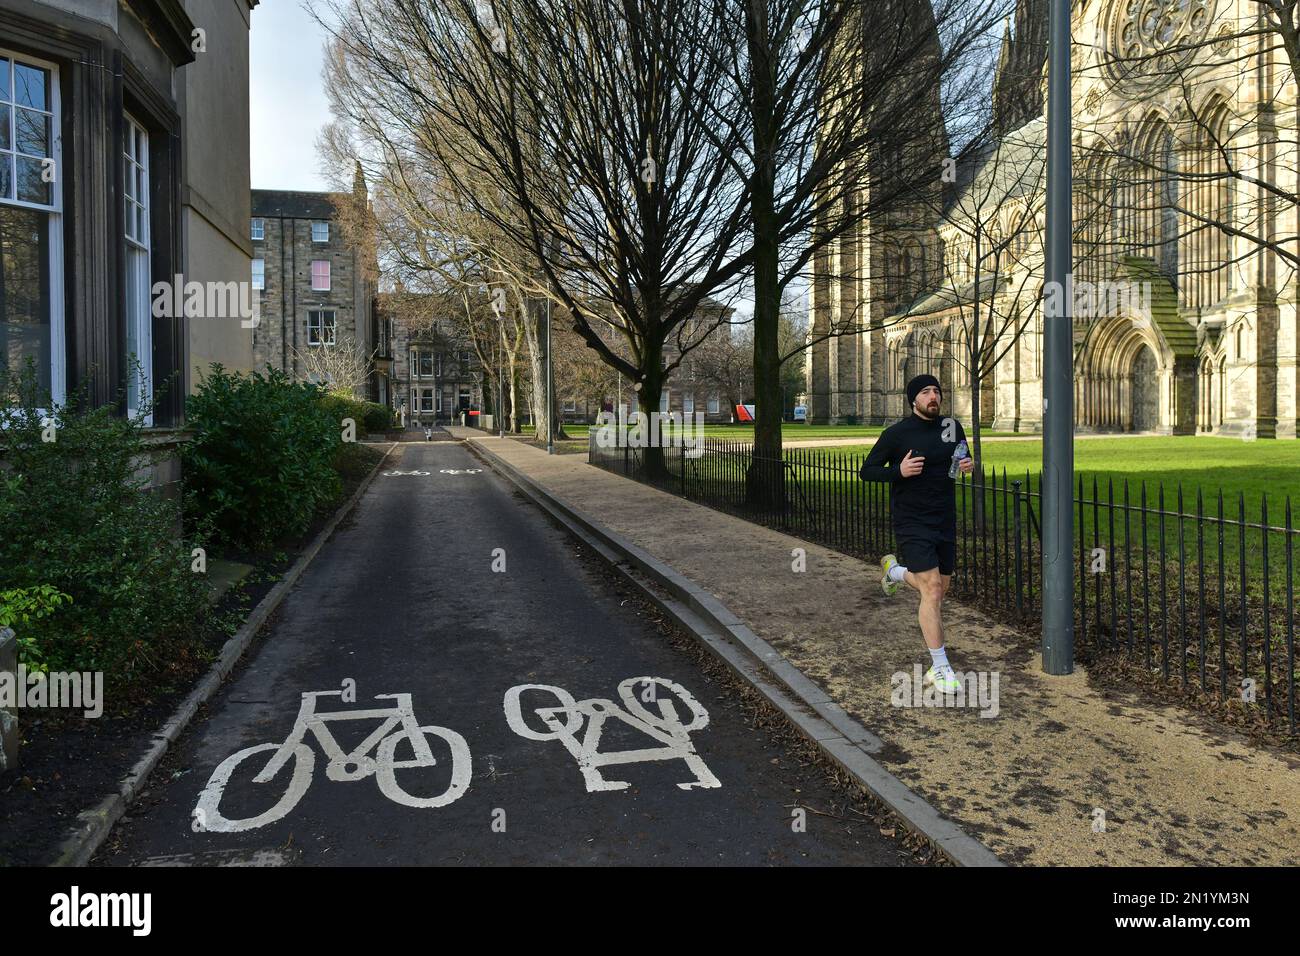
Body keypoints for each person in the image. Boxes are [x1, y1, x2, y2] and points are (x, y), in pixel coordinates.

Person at [859, 374, 975, 693]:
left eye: (936, 391)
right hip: (911, 519)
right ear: (914, 400)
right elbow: (866, 471)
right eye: (925, 392)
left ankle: (894, 572)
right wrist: (899, 471)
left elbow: (958, 464)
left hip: (944, 519)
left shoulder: (952, 427)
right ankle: (940, 668)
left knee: (938, 589)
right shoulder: (897, 434)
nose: (933, 396)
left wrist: (966, 465)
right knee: (933, 589)